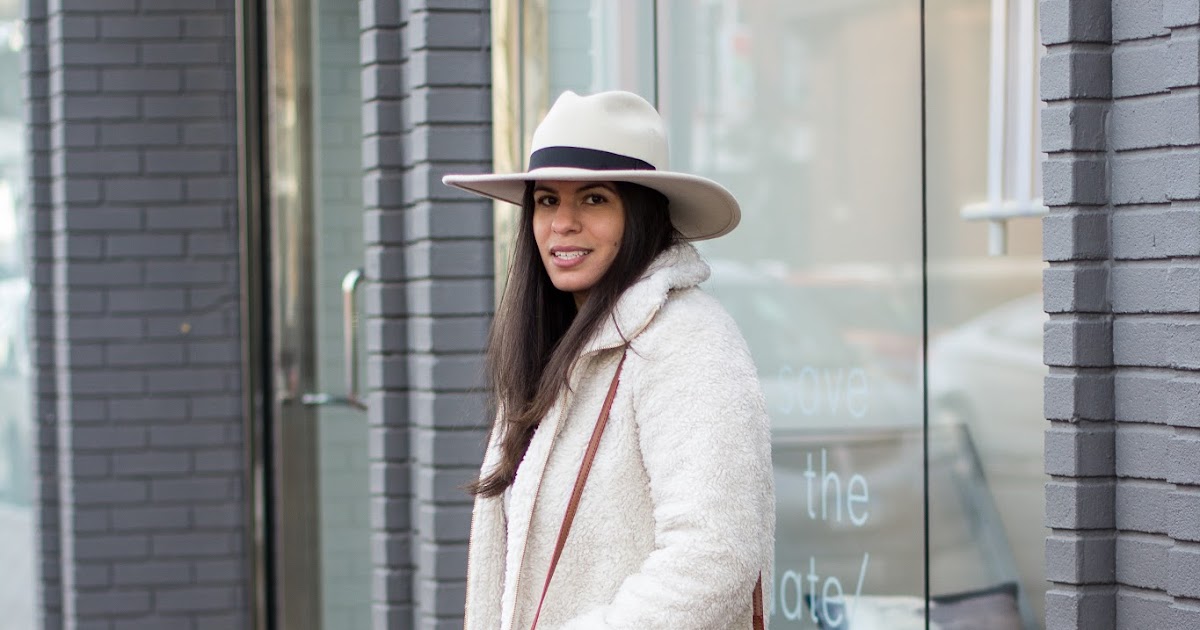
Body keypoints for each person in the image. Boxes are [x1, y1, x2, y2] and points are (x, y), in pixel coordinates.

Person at [443, 90, 775, 630]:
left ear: (640, 215)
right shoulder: (551, 349)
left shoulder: (686, 339)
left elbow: (714, 554)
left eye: (593, 199)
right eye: (547, 200)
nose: (563, 223)